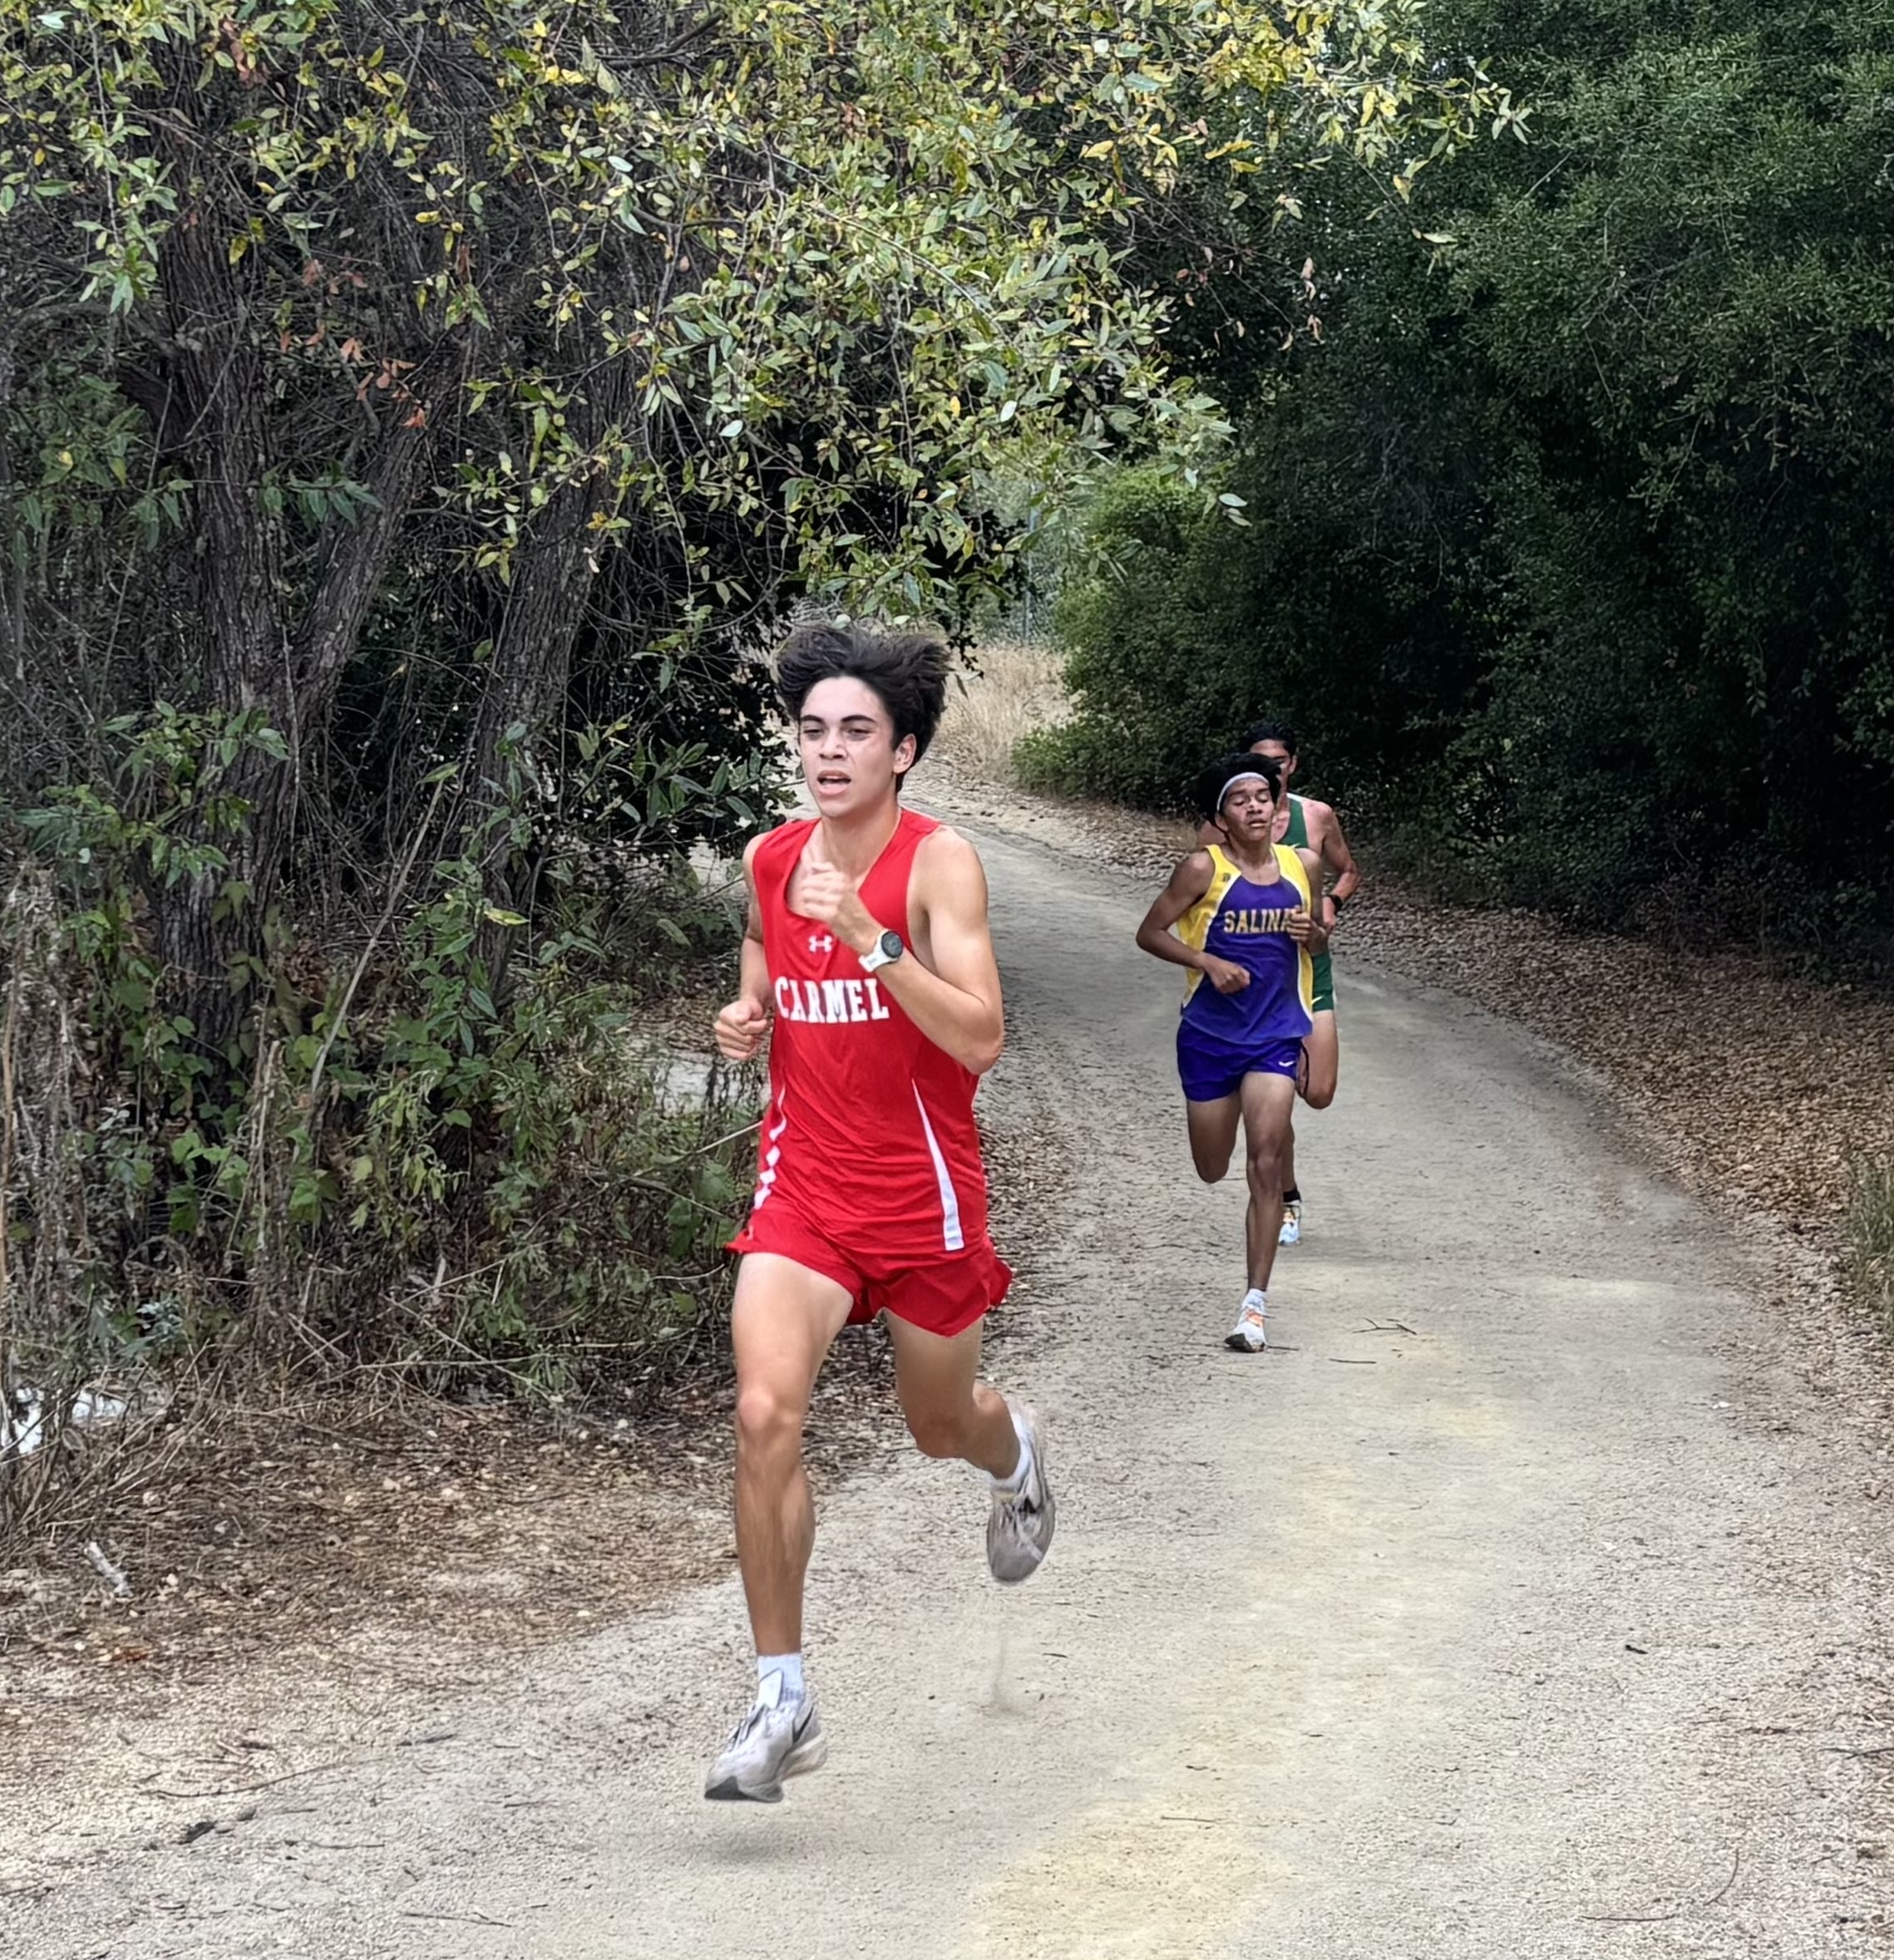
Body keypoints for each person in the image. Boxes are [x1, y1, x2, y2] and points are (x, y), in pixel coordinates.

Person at [705, 618, 1054, 1804]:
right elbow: (762, 953)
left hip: (924, 1197)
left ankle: (1014, 1459)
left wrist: (867, 939)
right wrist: (747, 1014)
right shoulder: (772, 856)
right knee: (764, 1411)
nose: (828, 750)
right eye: (812, 730)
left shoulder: (938, 862)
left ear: (902, 749)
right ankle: (782, 1695)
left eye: (856, 730)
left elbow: (980, 1035)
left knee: (937, 1424)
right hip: (805, 1188)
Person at [1140, 752, 1326, 1350]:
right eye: (1239, 799)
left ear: (1276, 808)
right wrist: (1207, 961)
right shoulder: (1202, 870)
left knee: (1266, 1161)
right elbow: (1150, 932)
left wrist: (1314, 934)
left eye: (1262, 797)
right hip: (1210, 1039)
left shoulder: (1305, 865)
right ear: (1220, 817)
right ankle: (1253, 1292)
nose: (1254, 806)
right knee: (1213, 1166)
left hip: (1275, 1034)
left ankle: (1254, 1306)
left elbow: (1320, 942)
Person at [1198, 719, 1359, 1246]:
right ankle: (1284, 1193)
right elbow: (1202, 892)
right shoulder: (1221, 827)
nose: (1271, 769)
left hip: (1310, 971)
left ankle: (1271, 1132)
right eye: (1259, 759)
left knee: (1319, 1092)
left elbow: (1349, 871)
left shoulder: (1315, 819)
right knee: (1278, 1085)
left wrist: (1329, 905)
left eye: (1279, 761)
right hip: (1256, 989)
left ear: (1292, 764)